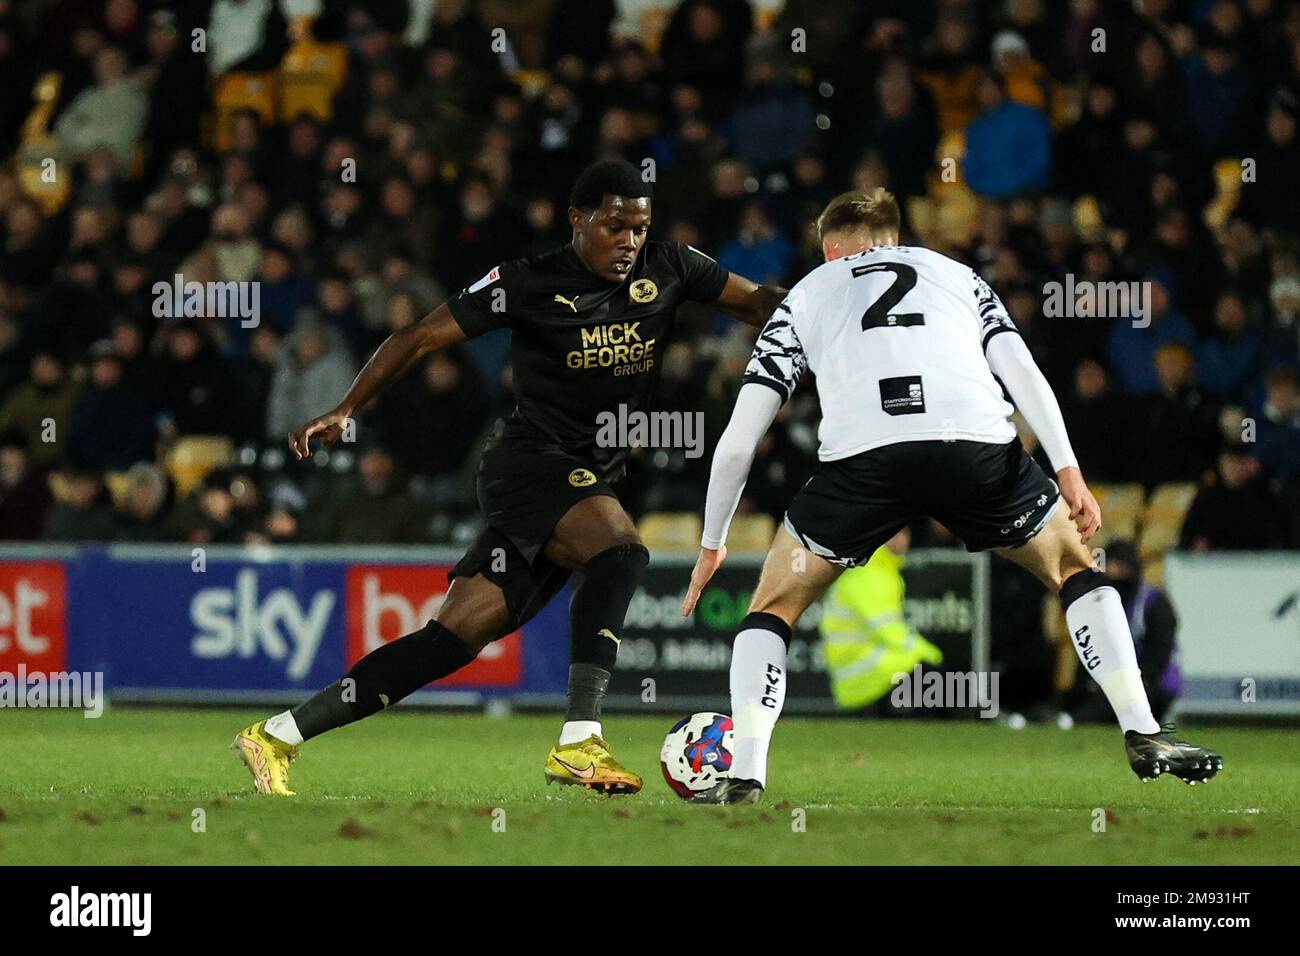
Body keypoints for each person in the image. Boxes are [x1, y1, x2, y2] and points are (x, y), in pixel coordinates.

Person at [233, 160, 784, 796]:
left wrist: (831, 316)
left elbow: (764, 304)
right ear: (577, 221)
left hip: (590, 476)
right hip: (530, 464)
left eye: (639, 228)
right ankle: (581, 742)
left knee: (451, 639)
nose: (629, 241)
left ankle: (276, 736)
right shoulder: (528, 282)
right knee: (622, 552)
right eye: (614, 226)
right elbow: (416, 336)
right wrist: (347, 407)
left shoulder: (674, 266)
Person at [681, 188, 1222, 804]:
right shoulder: (958, 275)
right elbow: (1025, 375)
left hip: (864, 458)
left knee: (772, 608)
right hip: (974, 445)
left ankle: (748, 771)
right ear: (895, 239)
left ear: (831, 250)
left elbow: (736, 442)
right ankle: (1143, 729)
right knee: (1074, 568)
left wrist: (713, 543)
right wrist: (1068, 470)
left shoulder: (806, 294)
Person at [818, 527, 943, 713]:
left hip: (865, 673)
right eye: (893, 534)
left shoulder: (882, 570)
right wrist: (928, 653)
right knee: (939, 681)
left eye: (903, 533)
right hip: (866, 675)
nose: (900, 540)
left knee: (938, 681)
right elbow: (888, 629)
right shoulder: (868, 574)